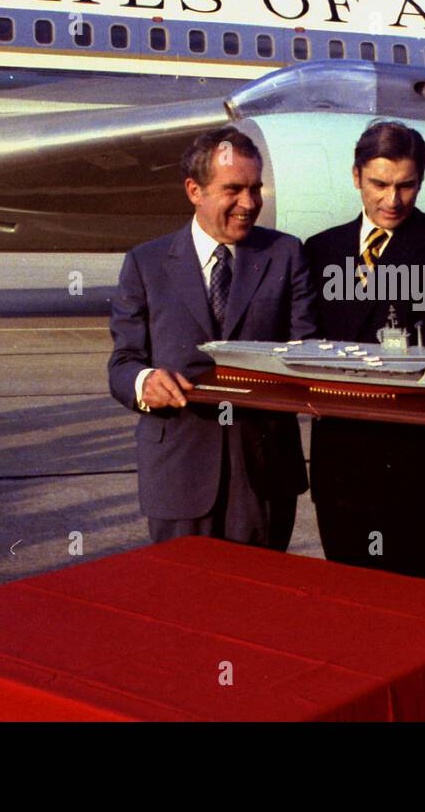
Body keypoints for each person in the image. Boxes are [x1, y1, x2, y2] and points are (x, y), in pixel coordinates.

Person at [107, 126, 317, 549]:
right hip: (178, 471)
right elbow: (123, 362)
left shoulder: (285, 254)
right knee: (182, 601)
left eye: (256, 189)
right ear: (194, 190)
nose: (249, 203)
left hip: (263, 471)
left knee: (254, 602)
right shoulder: (145, 263)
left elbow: (306, 350)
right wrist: (144, 382)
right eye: (234, 189)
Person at [304, 121, 425, 577]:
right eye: (380, 184)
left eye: (407, 185)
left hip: (411, 463)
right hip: (339, 462)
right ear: (356, 176)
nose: (392, 200)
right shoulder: (320, 251)